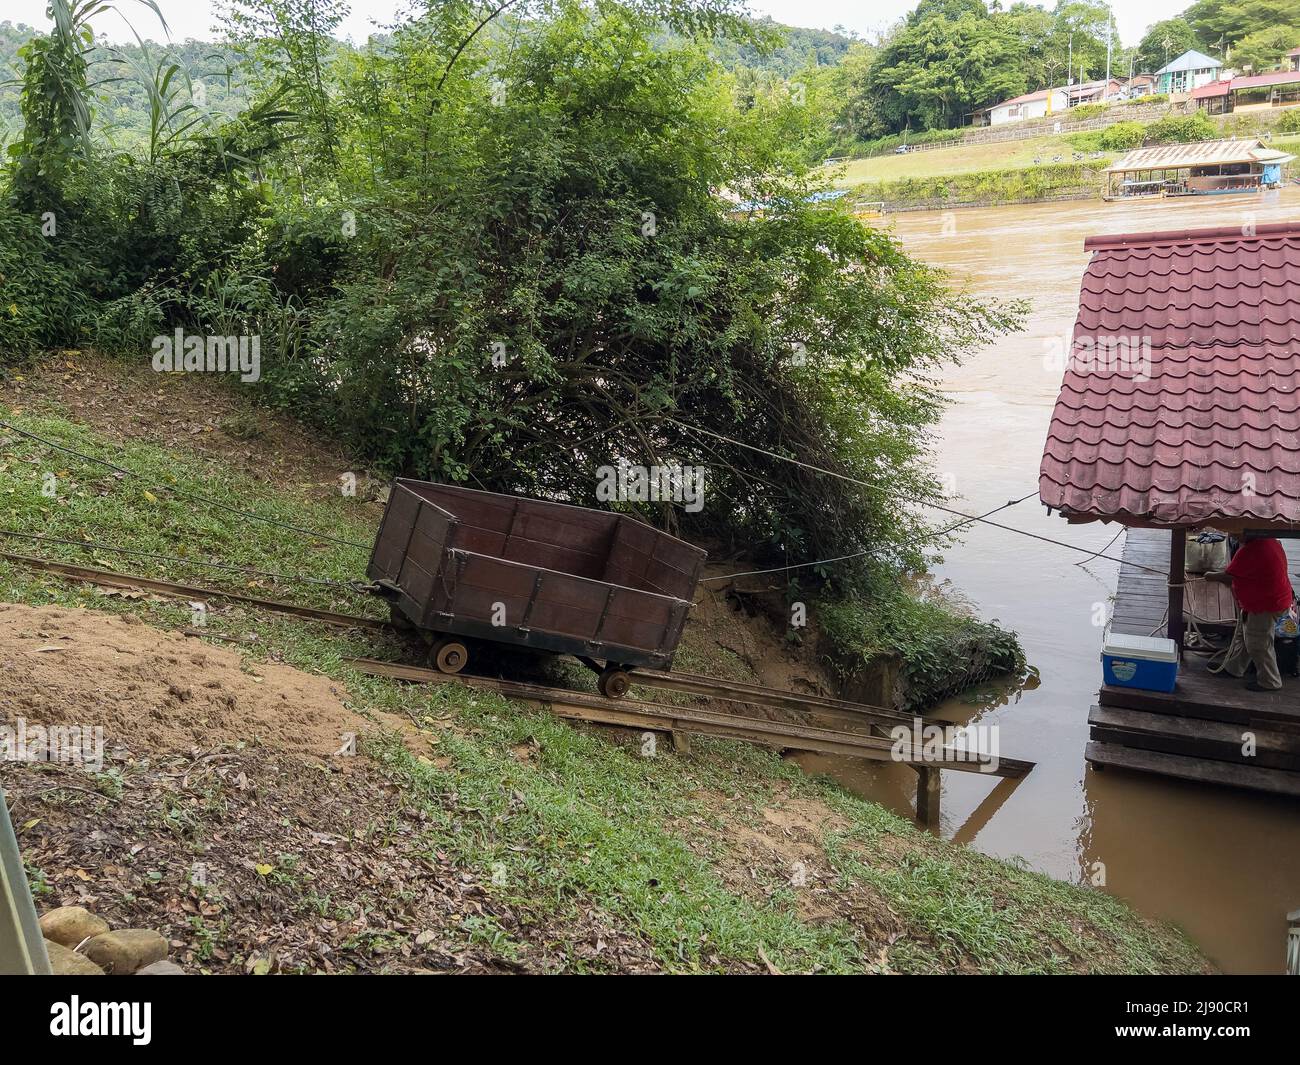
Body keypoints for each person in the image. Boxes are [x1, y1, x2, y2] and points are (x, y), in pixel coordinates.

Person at [1206, 534, 1295, 691]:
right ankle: (1234, 668)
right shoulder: (1271, 541)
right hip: (1273, 598)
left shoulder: (1252, 550)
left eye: (1235, 533)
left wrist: (1210, 576)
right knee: (1247, 636)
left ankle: (1270, 681)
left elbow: (1228, 577)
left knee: (1258, 643)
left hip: (1266, 604)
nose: (1233, 536)